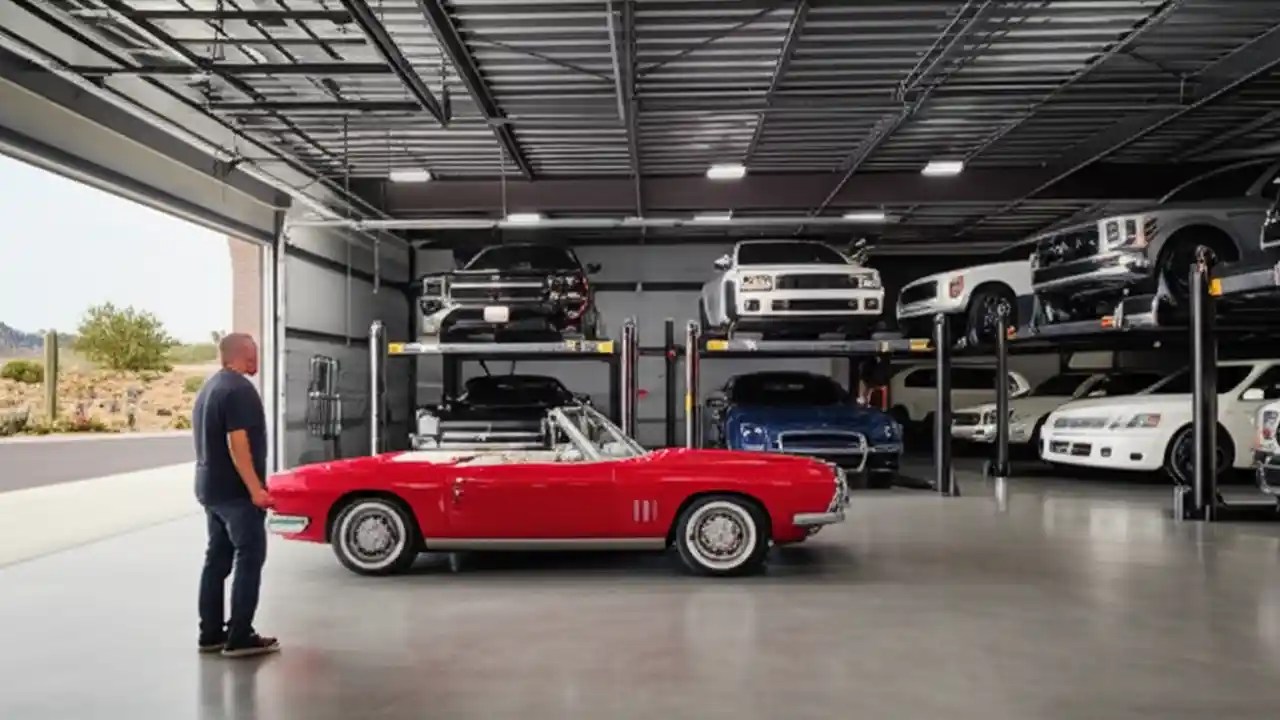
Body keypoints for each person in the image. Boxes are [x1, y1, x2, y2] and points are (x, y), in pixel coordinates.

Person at [192, 333, 279, 658]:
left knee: (216, 561)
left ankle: (210, 634)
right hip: (236, 494)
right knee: (250, 557)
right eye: (253, 355)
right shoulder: (240, 389)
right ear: (240, 356)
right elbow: (237, 443)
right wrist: (256, 489)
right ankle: (240, 635)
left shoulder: (210, 387)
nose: (256, 361)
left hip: (210, 489)